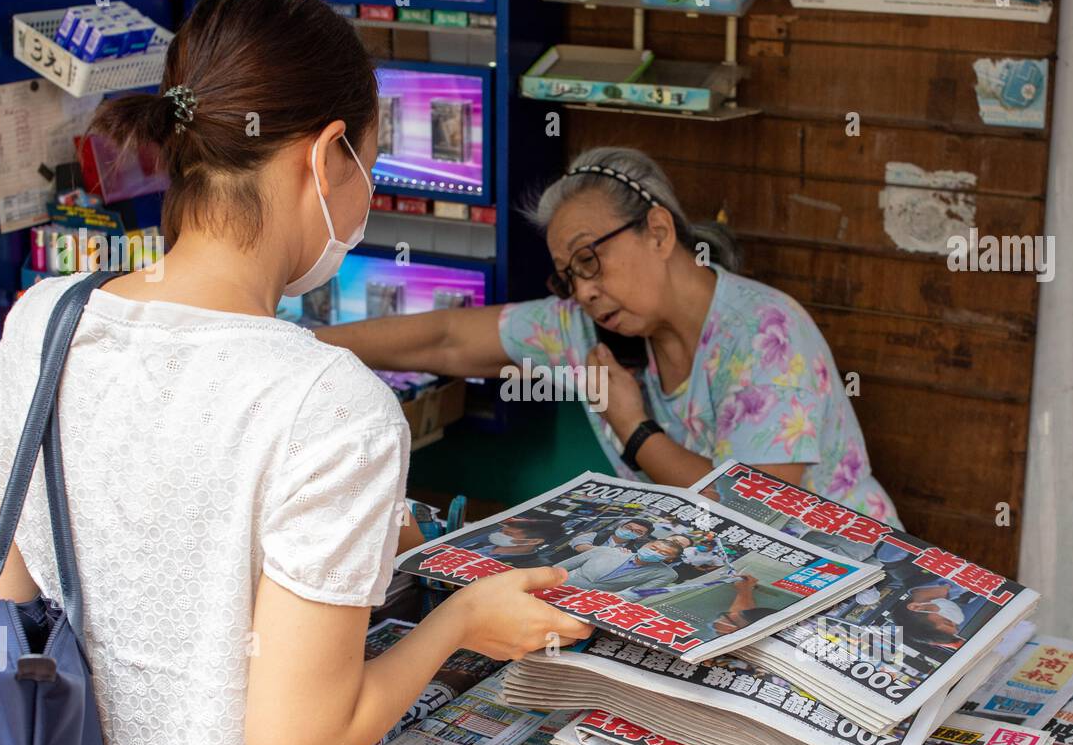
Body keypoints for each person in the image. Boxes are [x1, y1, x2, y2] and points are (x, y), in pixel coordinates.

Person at [0, 0, 587, 745]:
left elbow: (6, 601)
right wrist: (460, 622)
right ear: (327, 153)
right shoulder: (329, 408)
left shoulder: (43, 325)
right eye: (368, 163)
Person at [317, 148, 900, 524]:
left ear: (658, 231)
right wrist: (302, 345)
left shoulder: (767, 335)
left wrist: (634, 428)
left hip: (848, 583)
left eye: (591, 259)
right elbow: (446, 339)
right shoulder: (586, 325)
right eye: (569, 273)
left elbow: (756, 514)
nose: (585, 289)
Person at [556, 538, 684, 595]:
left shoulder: (666, 574)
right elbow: (562, 567)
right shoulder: (607, 550)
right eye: (653, 548)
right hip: (559, 584)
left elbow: (634, 594)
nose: (654, 553)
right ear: (646, 545)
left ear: (670, 559)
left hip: (588, 599)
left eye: (663, 553)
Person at [568, 517, 651, 553]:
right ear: (620, 526)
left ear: (642, 536)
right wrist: (613, 552)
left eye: (638, 532)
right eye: (628, 527)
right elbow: (580, 547)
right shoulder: (595, 535)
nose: (630, 531)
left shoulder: (632, 551)